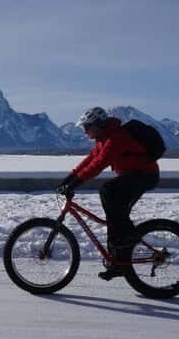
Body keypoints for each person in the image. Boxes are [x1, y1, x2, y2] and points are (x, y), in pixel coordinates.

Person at [56, 107, 159, 274]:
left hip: (144, 176)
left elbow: (99, 165)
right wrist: (67, 180)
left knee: (108, 191)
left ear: (98, 124)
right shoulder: (102, 139)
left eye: (87, 127)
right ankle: (118, 261)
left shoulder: (116, 137)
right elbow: (89, 161)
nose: (85, 131)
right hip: (132, 175)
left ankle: (129, 238)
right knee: (114, 219)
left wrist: (75, 184)